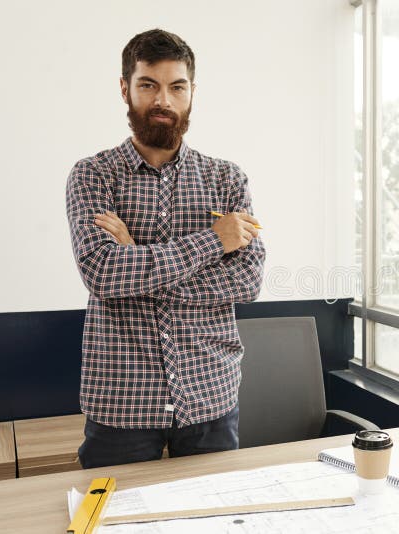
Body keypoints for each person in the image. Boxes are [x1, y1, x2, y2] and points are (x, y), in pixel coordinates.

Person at [65, 29, 265, 468]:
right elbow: (102, 272)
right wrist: (214, 241)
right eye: (148, 85)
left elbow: (248, 281)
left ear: (192, 92)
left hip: (210, 397)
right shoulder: (93, 175)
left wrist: (136, 257)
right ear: (125, 89)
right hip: (121, 404)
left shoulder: (226, 179)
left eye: (177, 87)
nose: (163, 100)